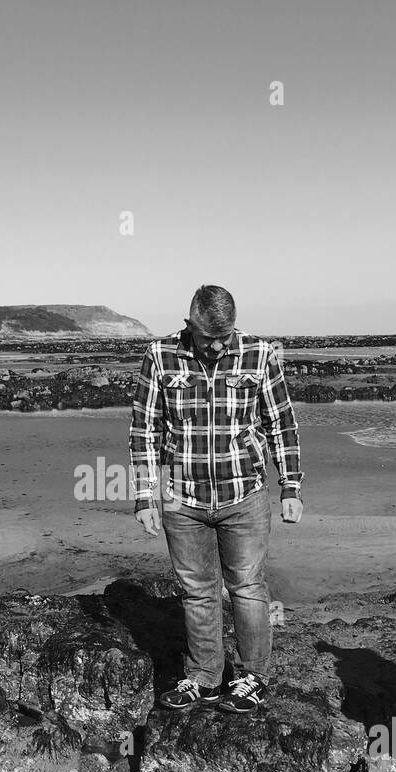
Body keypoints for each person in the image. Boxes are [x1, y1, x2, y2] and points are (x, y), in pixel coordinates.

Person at [130, 284, 303, 714]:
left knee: (246, 587)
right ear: (191, 325)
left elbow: (281, 423)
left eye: (226, 337)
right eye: (210, 339)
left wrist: (292, 487)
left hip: (244, 495)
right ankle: (203, 677)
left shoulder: (259, 355)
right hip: (183, 500)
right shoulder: (160, 355)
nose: (220, 346)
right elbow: (144, 431)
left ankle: (252, 677)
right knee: (196, 591)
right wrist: (145, 496)